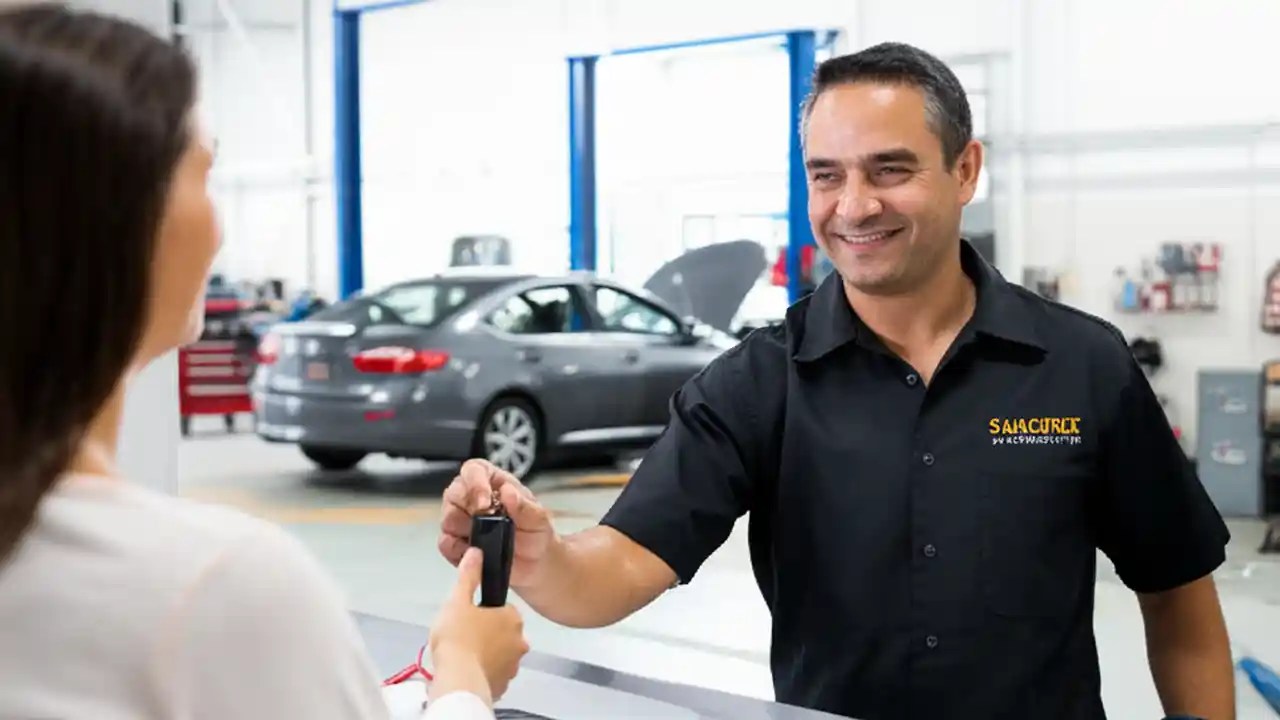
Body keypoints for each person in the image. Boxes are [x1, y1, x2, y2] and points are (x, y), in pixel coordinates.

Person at [440, 42, 1236, 720]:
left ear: (966, 170)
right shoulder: (758, 383)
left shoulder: (1082, 366)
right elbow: (616, 569)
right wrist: (543, 558)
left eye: (889, 170)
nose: (854, 206)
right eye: (827, 175)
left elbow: (1178, 597)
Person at [0, 5, 525, 719]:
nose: (219, 228)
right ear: (119, 219)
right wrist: (465, 673)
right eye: (203, 171)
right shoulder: (215, 586)